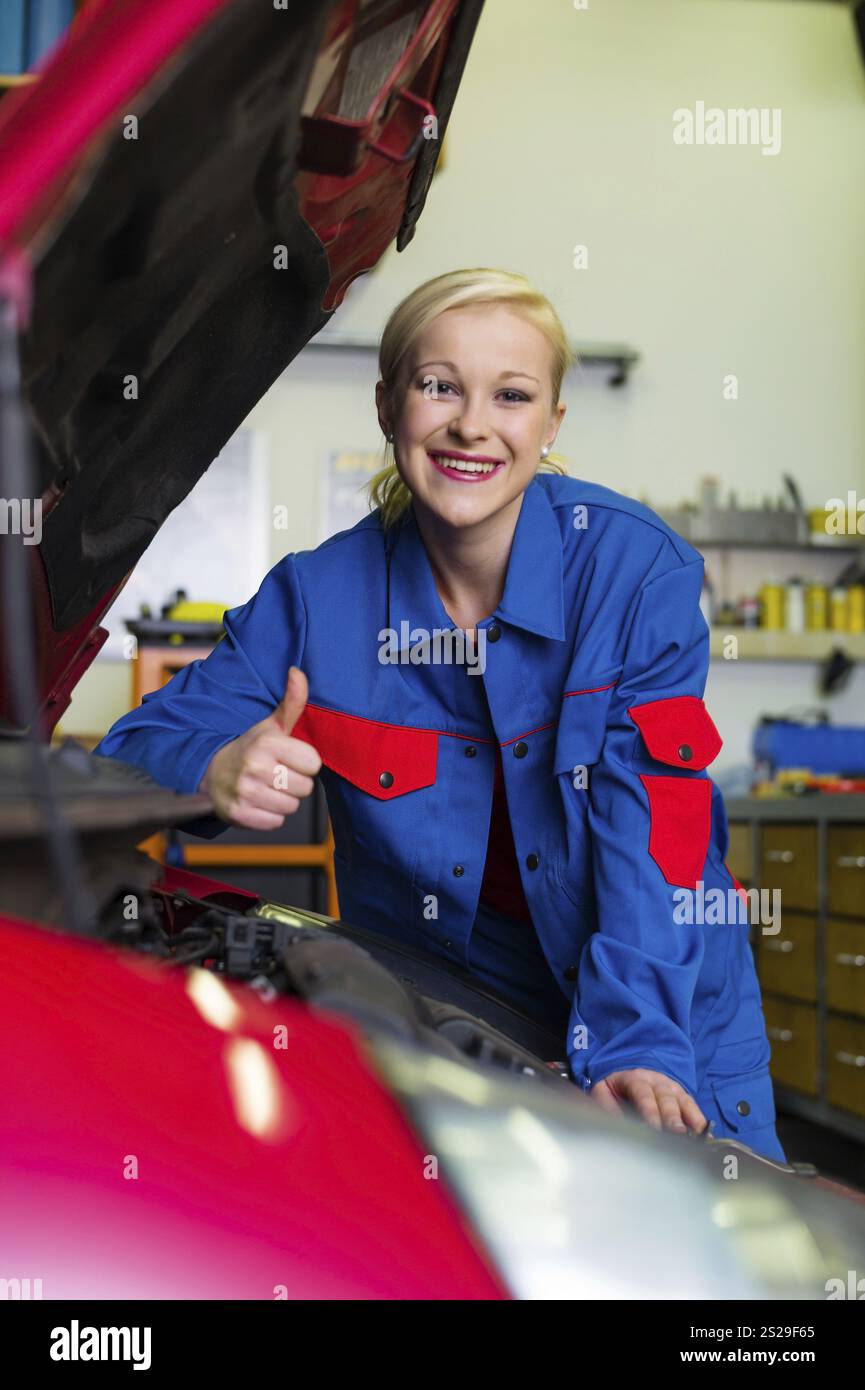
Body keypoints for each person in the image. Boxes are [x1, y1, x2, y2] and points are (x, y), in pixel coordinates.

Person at [95, 267, 786, 1163]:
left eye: (510, 394)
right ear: (389, 407)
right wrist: (214, 765)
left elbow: (653, 829)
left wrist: (638, 1043)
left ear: (551, 423)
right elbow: (129, 750)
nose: (471, 424)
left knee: (713, 1262)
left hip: (660, 993)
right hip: (442, 1008)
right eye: (438, 386)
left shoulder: (630, 572)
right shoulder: (316, 599)